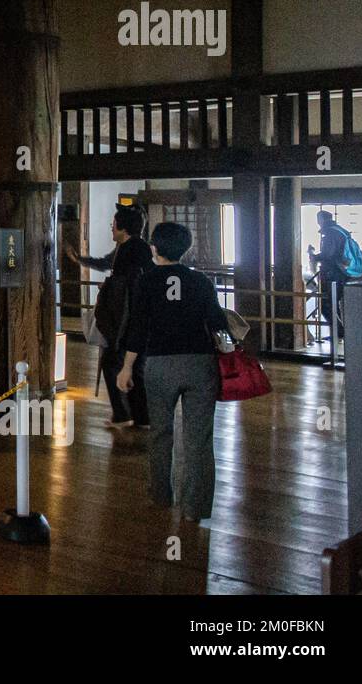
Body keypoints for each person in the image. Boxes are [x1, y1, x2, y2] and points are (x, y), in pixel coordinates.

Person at [119, 222, 229, 523]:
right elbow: (219, 323)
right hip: (199, 363)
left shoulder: (147, 281)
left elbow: (138, 327)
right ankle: (195, 508)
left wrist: (127, 367)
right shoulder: (202, 282)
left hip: (160, 364)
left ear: (154, 248)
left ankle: (160, 495)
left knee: (160, 433)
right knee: (199, 440)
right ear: (186, 248)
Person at [67, 205, 152, 428]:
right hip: (126, 318)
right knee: (130, 366)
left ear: (122, 228)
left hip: (128, 319)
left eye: (113, 225)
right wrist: (80, 260)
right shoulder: (129, 248)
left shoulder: (133, 250)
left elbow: (129, 284)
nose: (111, 229)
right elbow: (107, 265)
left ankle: (127, 415)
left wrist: (111, 287)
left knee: (115, 363)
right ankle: (138, 416)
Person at [308, 210, 362, 340]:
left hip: (333, 274)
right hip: (342, 273)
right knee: (333, 303)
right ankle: (338, 334)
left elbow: (328, 255)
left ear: (320, 219)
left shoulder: (331, 233)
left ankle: (340, 332)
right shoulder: (340, 231)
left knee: (325, 305)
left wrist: (314, 256)